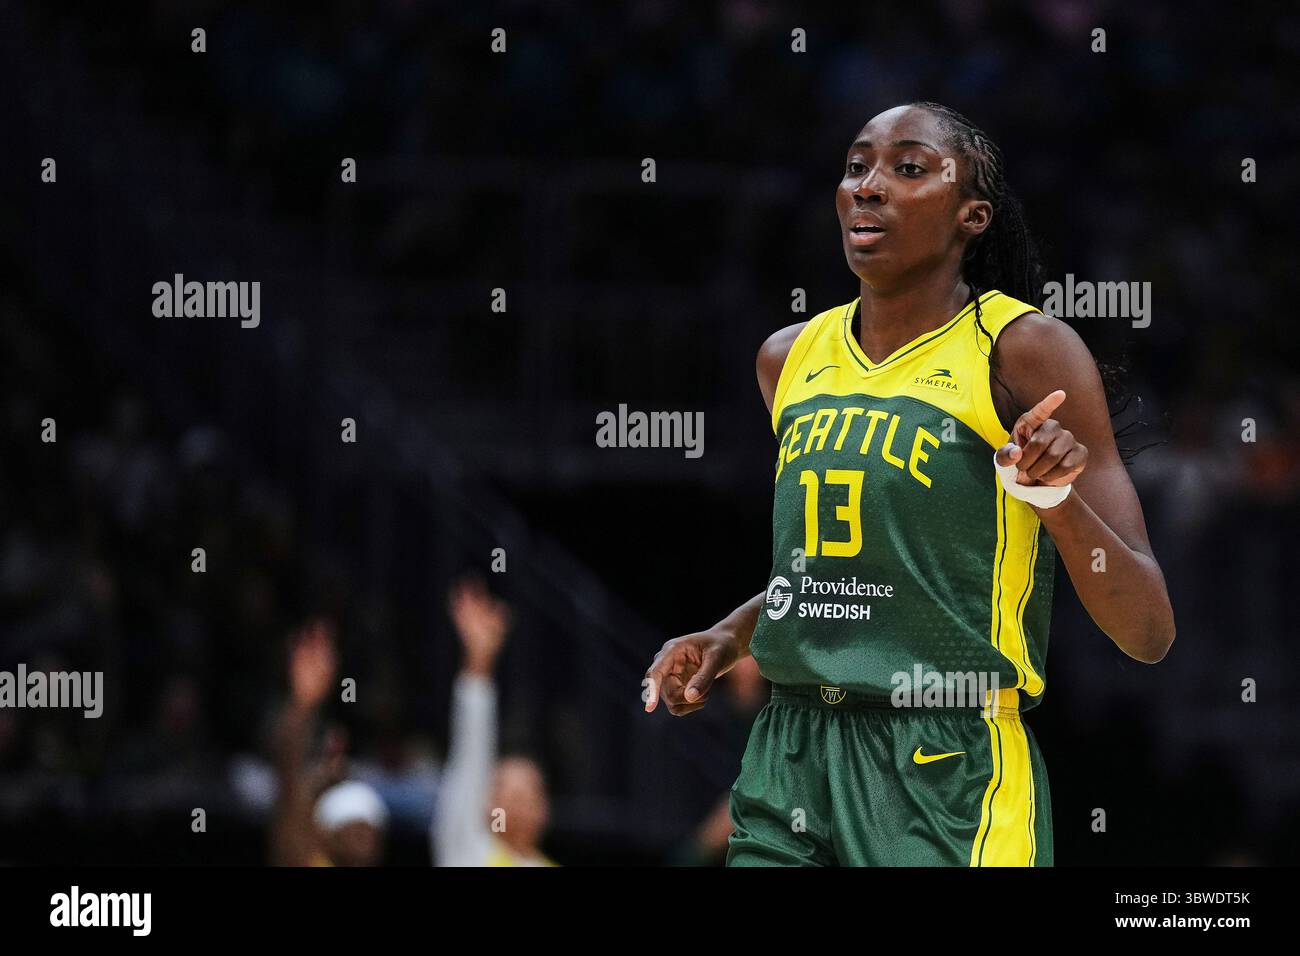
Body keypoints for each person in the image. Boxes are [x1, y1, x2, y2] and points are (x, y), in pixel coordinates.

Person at [643, 102, 1175, 866]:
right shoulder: (788, 358)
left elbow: (1149, 631)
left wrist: (1056, 500)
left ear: (972, 216)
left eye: (909, 168)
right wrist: (730, 635)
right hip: (790, 756)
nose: (869, 186)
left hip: (945, 765)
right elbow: (848, 569)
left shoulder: (1025, 352)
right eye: (857, 166)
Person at [433, 578, 554, 866]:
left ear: (545, 810)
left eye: (529, 793)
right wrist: (479, 661)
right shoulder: (468, 850)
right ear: (485, 803)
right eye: (505, 790)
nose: (517, 801)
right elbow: (471, 753)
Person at [269, 618, 388, 867]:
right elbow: (288, 784)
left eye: (369, 831)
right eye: (353, 828)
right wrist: (302, 707)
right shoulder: (304, 858)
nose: (364, 838)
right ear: (324, 834)